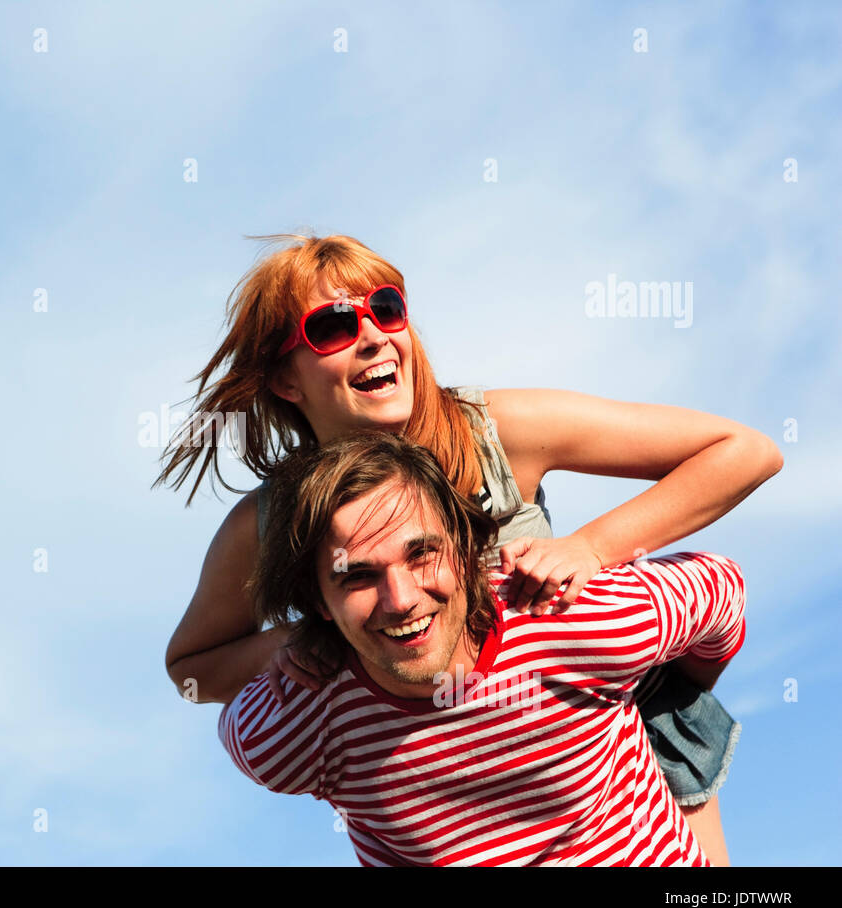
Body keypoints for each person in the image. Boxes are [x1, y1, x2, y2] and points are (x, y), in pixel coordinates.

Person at [159, 233, 782, 865]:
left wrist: (594, 547)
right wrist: (292, 641)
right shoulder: (268, 525)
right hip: (428, 764)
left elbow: (745, 452)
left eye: (387, 308)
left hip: (606, 723)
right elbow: (191, 671)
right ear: (284, 381)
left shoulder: (493, 431)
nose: (374, 335)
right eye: (333, 326)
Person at [221, 430, 747, 866]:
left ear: (465, 547)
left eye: (421, 553)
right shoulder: (294, 725)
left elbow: (722, 589)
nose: (400, 600)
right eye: (357, 577)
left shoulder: (573, 618)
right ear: (317, 601)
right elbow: (230, 719)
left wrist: (677, 692)